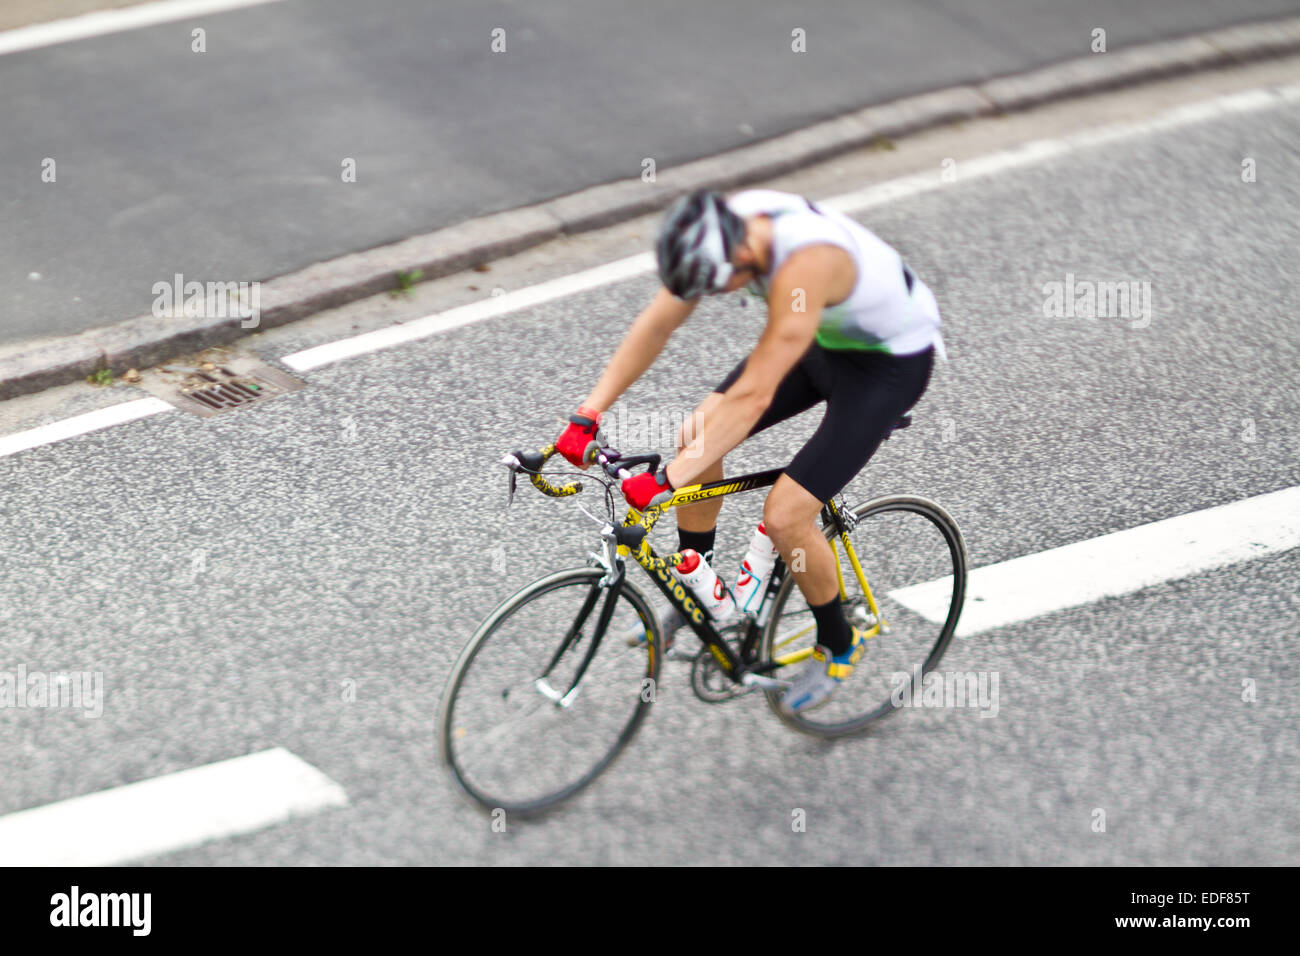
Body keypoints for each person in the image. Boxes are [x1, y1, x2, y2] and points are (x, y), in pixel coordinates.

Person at [554, 188, 944, 714]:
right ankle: (703, 592)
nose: (715, 298)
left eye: (720, 289)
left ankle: (838, 639)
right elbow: (657, 323)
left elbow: (756, 391)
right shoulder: (720, 234)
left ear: (741, 259)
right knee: (696, 435)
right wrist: (588, 413)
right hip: (820, 341)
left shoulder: (806, 261)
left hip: (884, 370)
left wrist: (667, 481)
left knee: (786, 515)